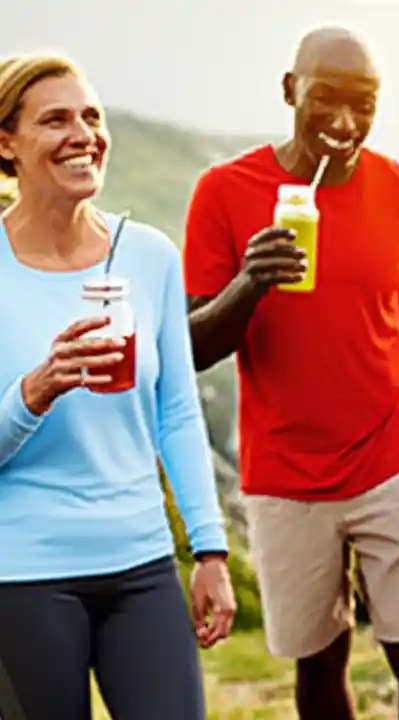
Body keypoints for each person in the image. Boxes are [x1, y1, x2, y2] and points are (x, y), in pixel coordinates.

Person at [182, 26, 399, 720]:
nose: (344, 122)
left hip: (393, 454)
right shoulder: (224, 192)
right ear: (290, 92)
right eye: (326, 101)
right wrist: (251, 283)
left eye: (363, 105)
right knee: (319, 661)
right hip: (284, 472)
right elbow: (191, 346)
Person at [0, 53, 235, 719]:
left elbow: (179, 413)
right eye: (55, 120)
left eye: (92, 117)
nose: (83, 134)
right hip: (21, 572)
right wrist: (35, 391)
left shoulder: (149, 254)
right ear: (6, 144)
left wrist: (210, 549)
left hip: (141, 566)